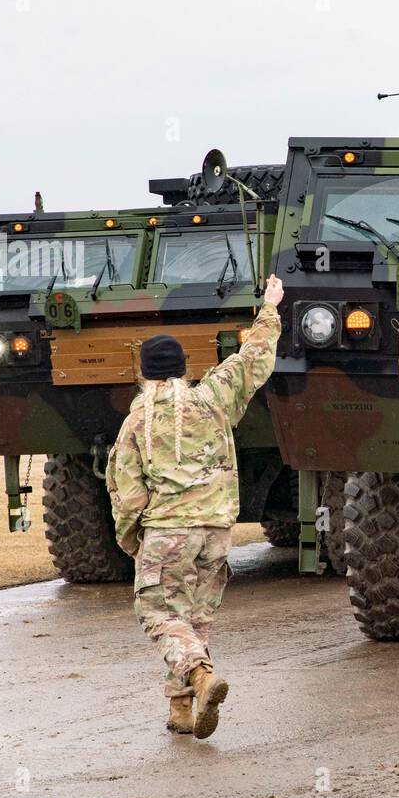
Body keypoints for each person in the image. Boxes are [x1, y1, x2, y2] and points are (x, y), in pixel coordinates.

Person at [107, 275, 284, 738]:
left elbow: (128, 494)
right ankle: (183, 711)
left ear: (143, 372)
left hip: (169, 531)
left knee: (159, 614)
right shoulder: (214, 397)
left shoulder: (138, 420)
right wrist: (269, 307)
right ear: (185, 368)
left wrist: (131, 541)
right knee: (193, 621)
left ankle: (202, 678)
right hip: (217, 533)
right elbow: (253, 358)